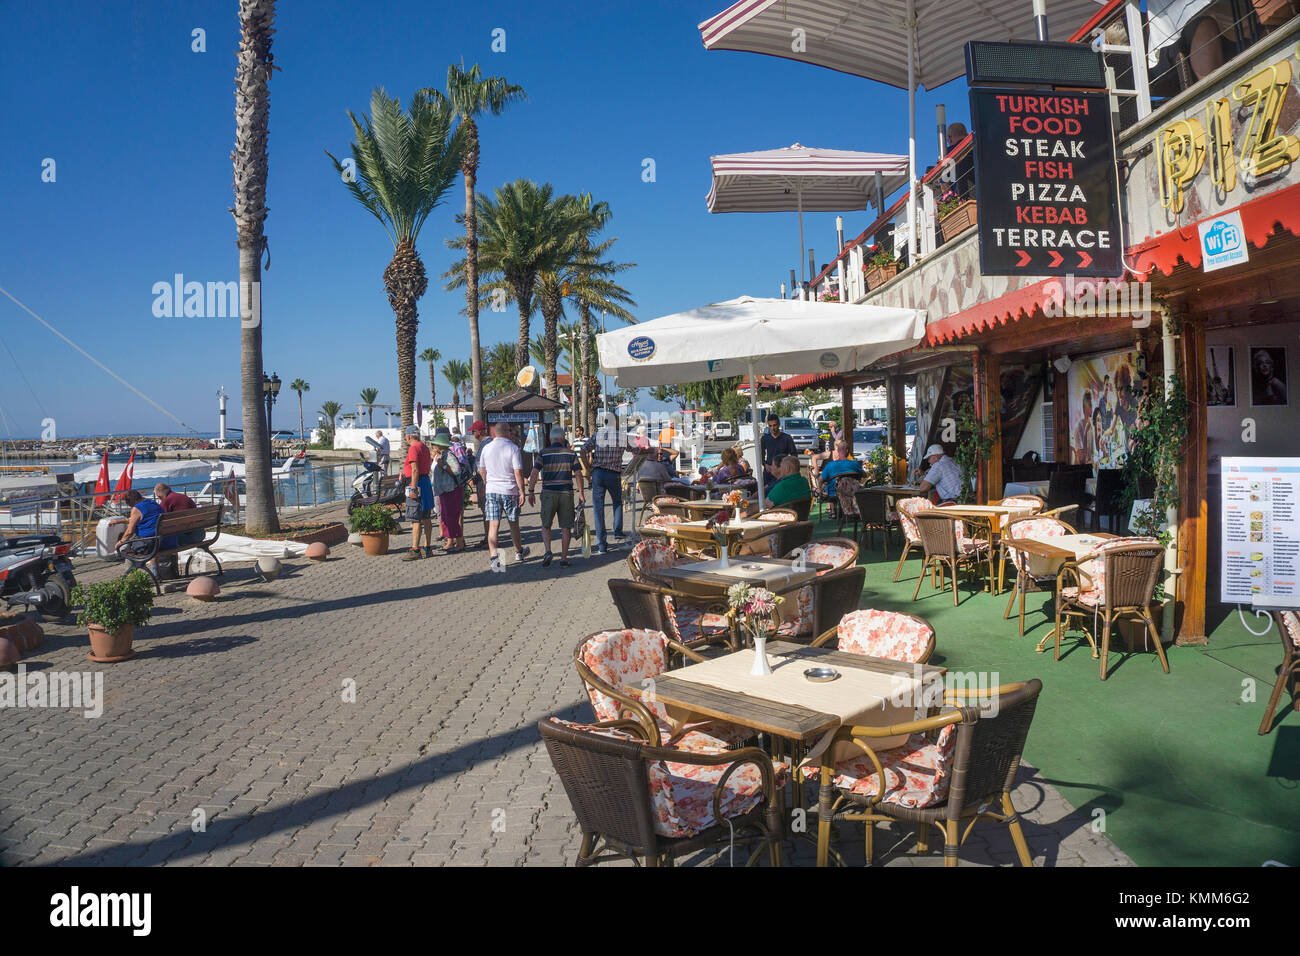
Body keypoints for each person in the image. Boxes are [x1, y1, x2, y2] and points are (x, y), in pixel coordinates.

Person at [580, 419, 648, 554]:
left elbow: (583, 450)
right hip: (614, 474)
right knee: (617, 502)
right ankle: (617, 531)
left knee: (598, 508)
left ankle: (601, 545)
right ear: (616, 424)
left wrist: (587, 468)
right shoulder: (622, 436)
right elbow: (637, 451)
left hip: (598, 473)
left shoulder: (597, 435)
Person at [528, 425, 584, 568]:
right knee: (566, 527)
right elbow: (578, 473)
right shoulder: (571, 454)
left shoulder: (543, 453)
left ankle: (548, 551)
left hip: (548, 493)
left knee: (546, 524)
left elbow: (534, 473)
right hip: (566, 493)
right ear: (563, 438)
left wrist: (531, 491)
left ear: (550, 438)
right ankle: (564, 558)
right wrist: (581, 493)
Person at [479, 422, 528, 572]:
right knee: (513, 523)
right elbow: (517, 472)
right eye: (510, 431)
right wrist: (522, 491)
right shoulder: (513, 448)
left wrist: (487, 482)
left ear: (494, 433)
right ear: (506, 432)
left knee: (493, 525)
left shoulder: (486, 448)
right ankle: (518, 552)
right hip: (509, 490)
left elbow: (482, 469)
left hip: (492, 490)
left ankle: (495, 558)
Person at [115, 489, 173, 575]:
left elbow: (130, 531)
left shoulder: (137, 508)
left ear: (133, 501)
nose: (131, 507)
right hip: (166, 540)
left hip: (151, 544)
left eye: (130, 505)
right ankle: (155, 573)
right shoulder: (153, 503)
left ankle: (130, 578)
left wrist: (120, 542)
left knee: (127, 552)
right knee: (149, 542)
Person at [401, 425, 436, 561]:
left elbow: (415, 469)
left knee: (415, 519)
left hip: (417, 484)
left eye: (405, 436)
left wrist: (413, 488)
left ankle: (415, 549)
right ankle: (427, 547)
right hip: (426, 483)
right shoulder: (424, 447)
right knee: (426, 517)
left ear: (409, 436)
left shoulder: (413, 448)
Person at [430, 432, 465, 553]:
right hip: (444, 490)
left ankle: (459, 542)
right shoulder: (443, 455)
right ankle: (450, 540)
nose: (433, 446)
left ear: (440, 445)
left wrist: (443, 466)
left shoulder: (448, 455)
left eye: (435, 444)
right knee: (445, 516)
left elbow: (456, 470)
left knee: (451, 516)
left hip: (451, 490)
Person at [468, 420, 491, 546]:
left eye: (474, 431)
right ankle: (488, 536)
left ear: (480, 431)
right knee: (486, 511)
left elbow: (484, 467)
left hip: (485, 482)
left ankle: (489, 538)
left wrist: (483, 483)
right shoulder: (486, 443)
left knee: (486, 511)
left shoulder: (486, 445)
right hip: (483, 481)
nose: (473, 434)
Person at [760, 414, 797, 481]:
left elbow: (794, 456)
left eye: (775, 425)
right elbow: (761, 455)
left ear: (779, 424)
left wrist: (787, 467)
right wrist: (765, 465)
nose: (772, 428)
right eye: (770, 426)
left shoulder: (787, 438)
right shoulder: (764, 438)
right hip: (769, 471)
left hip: (783, 472)